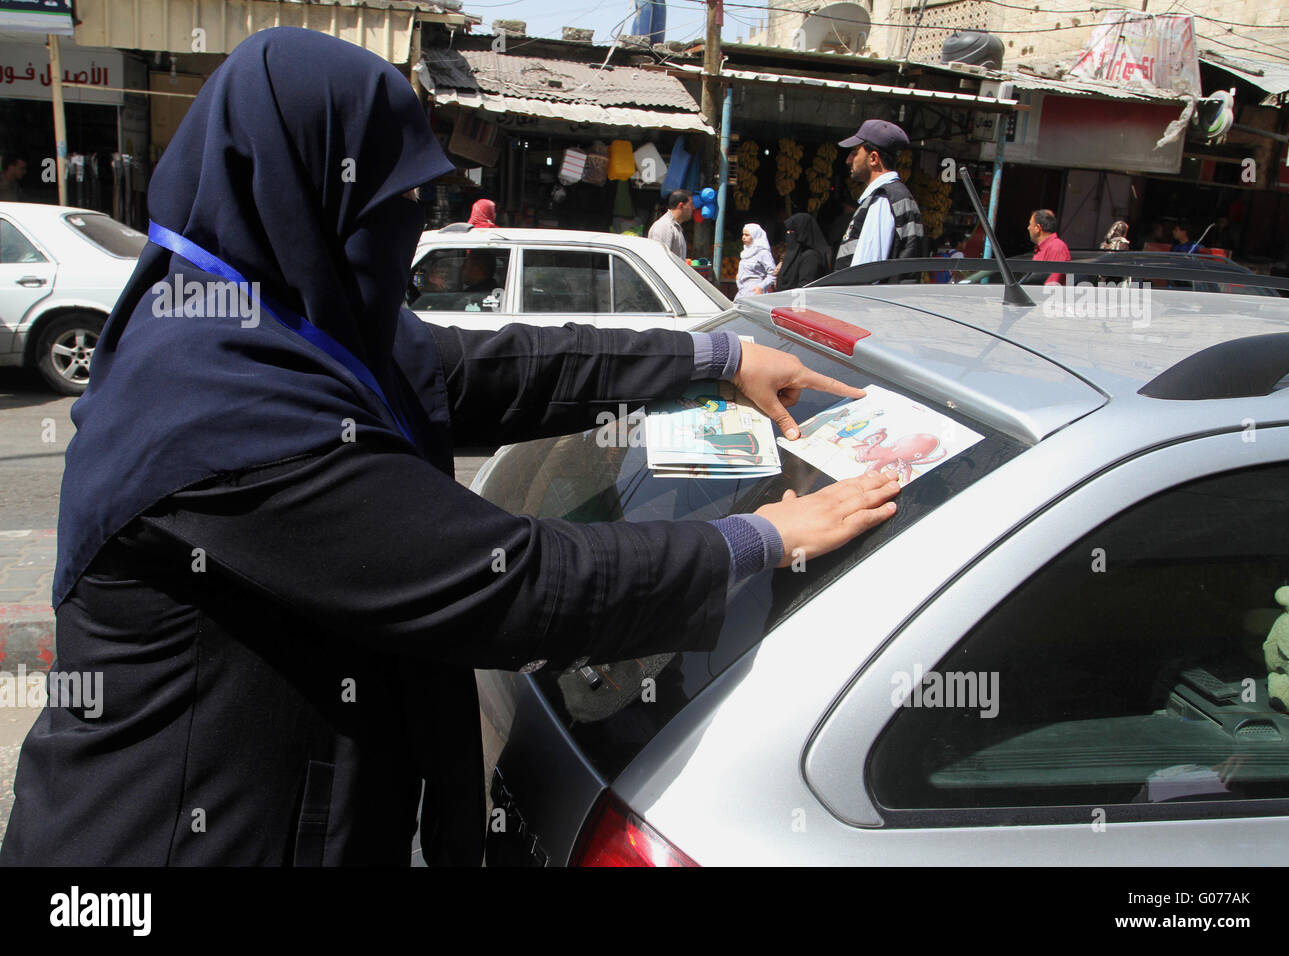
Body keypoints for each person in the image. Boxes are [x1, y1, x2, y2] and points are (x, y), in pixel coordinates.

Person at [0, 28, 899, 867]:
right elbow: (505, 582)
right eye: (390, 205)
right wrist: (766, 538)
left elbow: (499, 367)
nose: (407, 232)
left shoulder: (291, 317)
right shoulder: (213, 403)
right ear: (307, 186)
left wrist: (720, 354)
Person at [833, 119, 923, 274]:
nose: (848, 160)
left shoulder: (883, 199)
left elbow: (865, 273)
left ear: (873, 158)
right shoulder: (894, 196)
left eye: (855, 152)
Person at [776, 213, 831, 291]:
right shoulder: (795, 255)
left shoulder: (810, 257)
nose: (788, 235)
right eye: (787, 232)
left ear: (803, 233)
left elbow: (804, 287)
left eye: (791, 231)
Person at [1028, 209, 1070, 286]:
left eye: (1030, 224)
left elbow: (1052, 283)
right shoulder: (1041, 248)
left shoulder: (1056, 246)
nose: (1028, 228)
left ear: (1037, 228)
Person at [648, 189, 692, 260]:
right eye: (691, 205)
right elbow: (659, 259)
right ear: (681, 206)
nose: (693, 208)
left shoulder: (675, 227)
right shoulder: (664, 226)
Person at [734, 223, 776, 298]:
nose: (743, 237)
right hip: (742, 293)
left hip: (755, 295)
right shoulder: (746, 252)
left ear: (755, 236)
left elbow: (773, 274)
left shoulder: (763, 253)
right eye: (743, 234)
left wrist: (761, 287)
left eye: (747, 235)